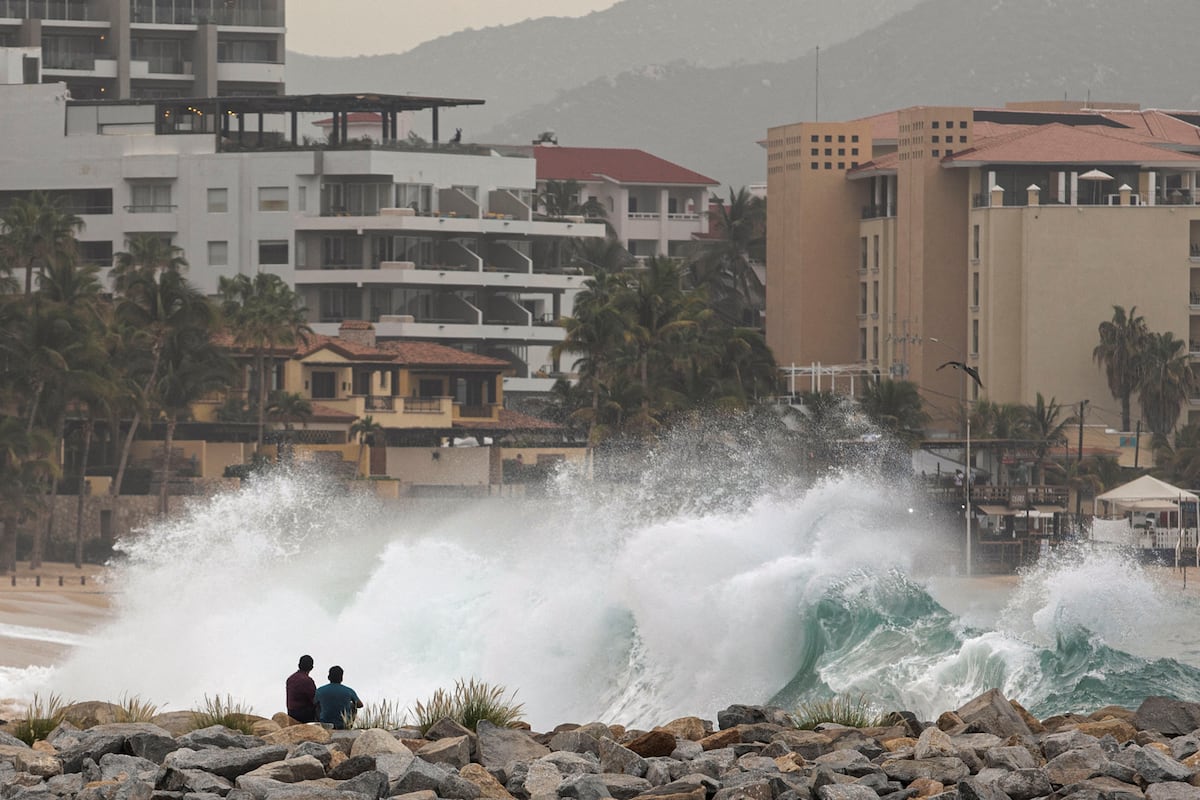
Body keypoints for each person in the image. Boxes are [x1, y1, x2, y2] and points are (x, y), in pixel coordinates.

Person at [315, 665, 363, 729]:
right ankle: (348, 725)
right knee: (353, 705)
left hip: (325, 724)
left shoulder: (320, 690)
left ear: (328, 677)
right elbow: (360, 705)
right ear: (341, 678)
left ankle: (320, 726)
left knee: (317, 705)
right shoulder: (349, 690)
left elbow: (313, 704)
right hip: (343, 724)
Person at [286, 655, 317, 723]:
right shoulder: (307, 680)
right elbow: (314, 699)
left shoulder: (290, 679)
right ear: (311, 668)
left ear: (299, 665)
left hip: (291, 713)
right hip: (303, 715)